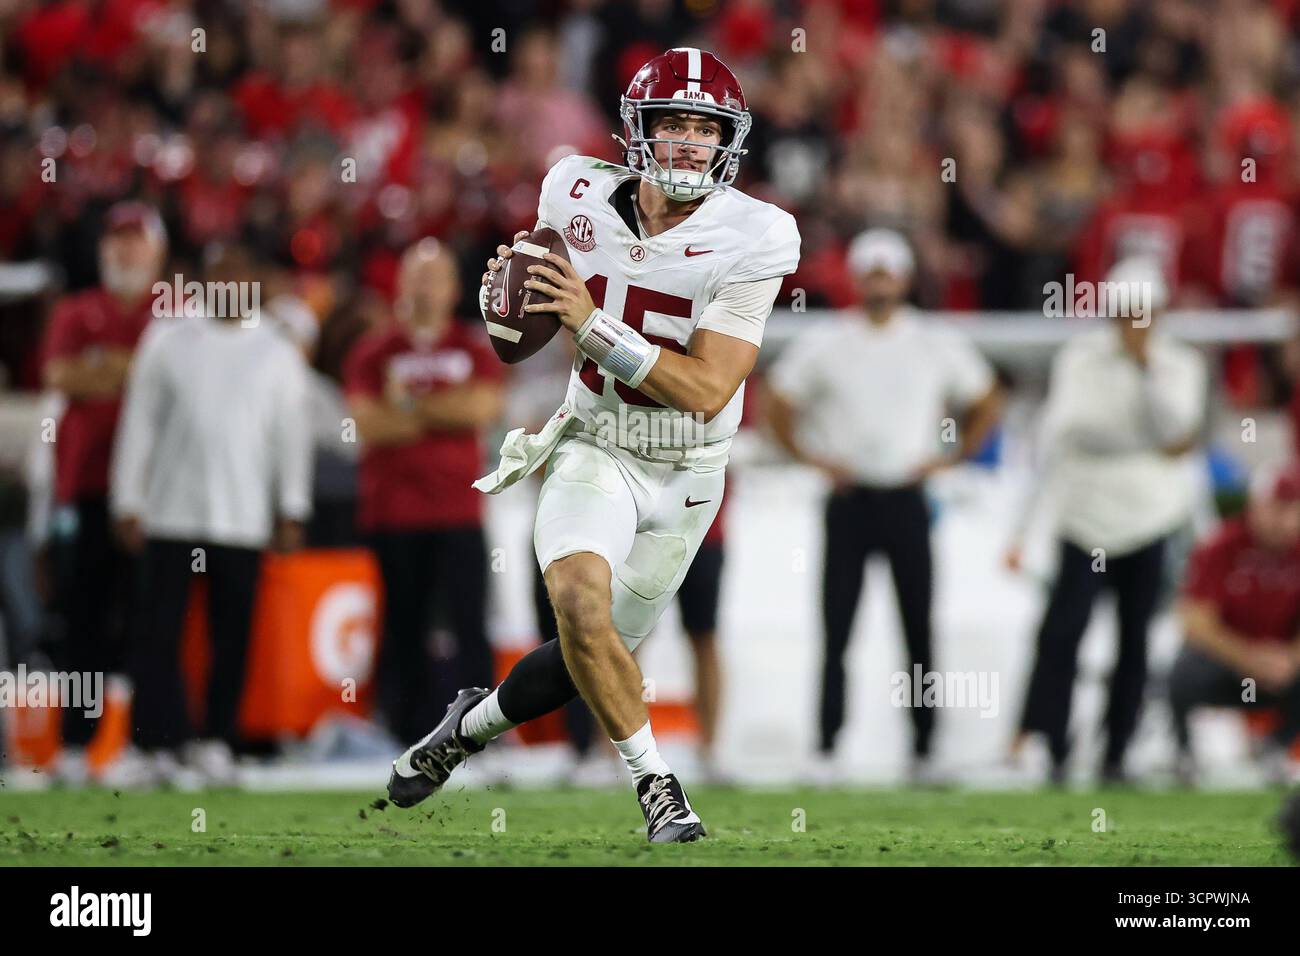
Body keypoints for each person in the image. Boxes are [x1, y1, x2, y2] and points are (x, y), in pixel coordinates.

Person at [386, 48, 801, 843]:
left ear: (729, 141)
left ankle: (468, 729)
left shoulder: (758, 234)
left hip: (688, 466)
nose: (685, 143)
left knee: (590, 657)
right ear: (635, 131)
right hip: (595, 440)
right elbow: (526, 317)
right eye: (670, 124)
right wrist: (510, 296)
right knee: (580, 606)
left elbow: (709, 387)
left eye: (702, 127)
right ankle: (658, 789)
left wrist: (588, 322)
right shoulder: (571, 187)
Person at [766, 228, 1004, 782]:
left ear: (902, 278)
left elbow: (987, 397)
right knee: (838, 627)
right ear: (857, 278)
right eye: (870, 271)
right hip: (849, 497)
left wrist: (952, 458)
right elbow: (778, 400)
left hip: (906, 495)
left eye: (886, 271)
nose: (879, 281)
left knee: (918, 625)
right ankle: (827, 744)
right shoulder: (829, 341)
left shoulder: (930, 339)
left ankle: (924, 744)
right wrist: (810, 457)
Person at [109, 243, 313, 785]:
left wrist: (291, 505)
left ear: (253, 279)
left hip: (241, 518)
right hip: (170, 512)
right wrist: (128, 497)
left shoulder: (275, 348)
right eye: (218, 271)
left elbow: (289, 436)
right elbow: (140, 421)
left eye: (238, 271)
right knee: (157, 632)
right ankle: (155, 745)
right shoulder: (167, 338)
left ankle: (217, 740)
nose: (228, 281)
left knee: (232, 635)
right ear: (202, 279)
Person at [1007, 256, 1208, 784]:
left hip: (1150, 517)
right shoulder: (1080, 357)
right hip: (1084, 515)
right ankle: (1050, 743)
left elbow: (1178, 430)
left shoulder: (1180, 364)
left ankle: (1119, 749)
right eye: (1125, 312)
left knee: (1136, 639)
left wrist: (1146, 378)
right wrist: (1152, 441)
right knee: (1062, 633)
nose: (1133, 324)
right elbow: (1074, 428)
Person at [344, 239, 504, 744]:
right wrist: (442, 410)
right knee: (401, 627)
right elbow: (368, 424)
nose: (425, 289)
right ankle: (403, 734)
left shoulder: (474, 346)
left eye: (435, 278)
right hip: (393, 515)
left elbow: (481, 409)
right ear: (399, 284)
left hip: (458, 510)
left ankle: (477, 733)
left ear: (455, 288)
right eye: (416, 277)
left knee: (468, 624)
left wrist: (409, 406)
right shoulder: (374, 351)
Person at [40, 201, 167, 784]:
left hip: (153, 494)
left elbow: (166, 383)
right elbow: (62, 375)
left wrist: (108, 367)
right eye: (116, 242)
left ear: (157, 251)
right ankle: (73, 745)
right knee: (82, 620)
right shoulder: (76, 310)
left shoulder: (174, 313)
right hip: (86, 487)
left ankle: (142, 746)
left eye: (134, 242)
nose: (124, 252)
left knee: (148, 623)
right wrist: (132, 368)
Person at [1169, 461, 1300, 785]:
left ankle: (1278, 749)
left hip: (1280, 666)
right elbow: (1195, 623)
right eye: (1275, 507)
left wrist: (1291, 658)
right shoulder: (1220, 545)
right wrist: (1248, 658)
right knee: (1184, 670)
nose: (1282, 519)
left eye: (1291, 507)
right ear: (1255, 506)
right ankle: (1183, 752)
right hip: (1226, 663)